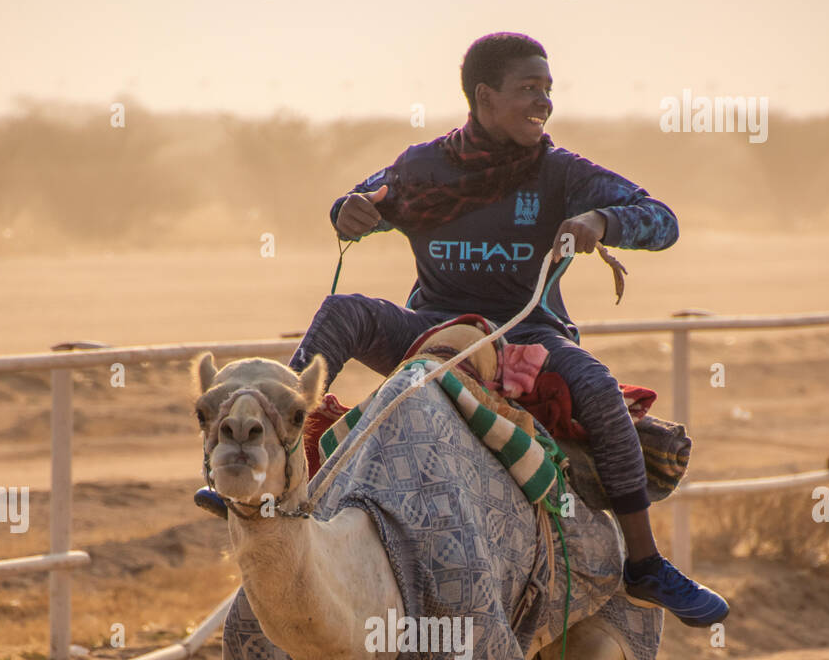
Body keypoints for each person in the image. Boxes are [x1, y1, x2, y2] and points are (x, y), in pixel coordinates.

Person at [288, 31, 728, 627]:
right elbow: (363, 197)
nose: (544, 102)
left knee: (597, 388)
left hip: (532, 335)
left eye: (548, 90)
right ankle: (273, 462)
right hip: (431, 329)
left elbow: (663, 220)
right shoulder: (421, 167)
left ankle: (646, 564)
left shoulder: (563, 172)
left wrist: (603, 219)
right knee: (342, 312)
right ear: (484, 97)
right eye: (529, 89)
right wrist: (348, 210)